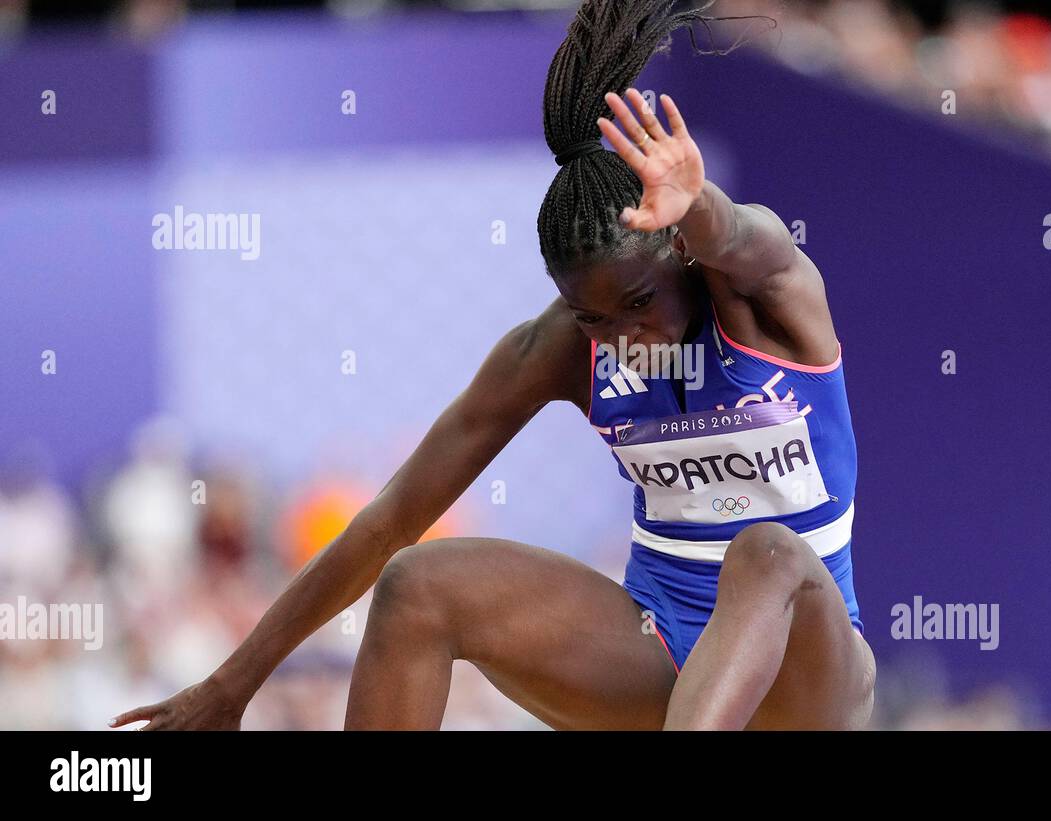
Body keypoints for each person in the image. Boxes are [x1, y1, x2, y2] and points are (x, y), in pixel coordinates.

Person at [110, 0, 875, 731]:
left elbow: (741, 234)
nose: (623, 336)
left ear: (675, 245)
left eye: (639, 302)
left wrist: (698, 201)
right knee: (417, 585)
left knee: (765, 551)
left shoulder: (765, 295)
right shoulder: (559, 350)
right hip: (660, 651)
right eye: (593, 317)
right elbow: (388, 522)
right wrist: (230, 684)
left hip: (806, 674)